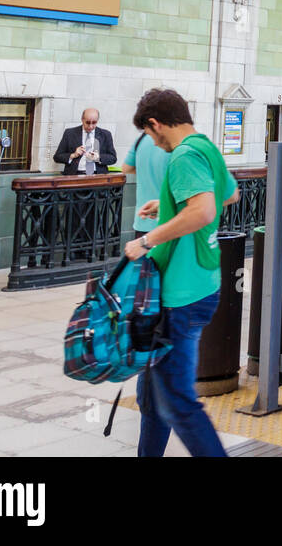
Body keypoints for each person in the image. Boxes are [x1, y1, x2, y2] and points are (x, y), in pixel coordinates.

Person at [124, 88, 239, 457]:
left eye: (150, 134)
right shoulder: (205, 146)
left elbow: (203, 211)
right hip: (203, 284)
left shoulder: (183, 157)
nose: (154, 144)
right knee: (154, 395)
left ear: (156, 124)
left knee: (177, 402)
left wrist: (146, 241)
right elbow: (229, 194)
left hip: (180, 294)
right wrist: (172, 204)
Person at [122, 125, 170, 240]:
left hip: (142, 221)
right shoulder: (175, 143)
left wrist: (146, 171)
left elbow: (126, 168)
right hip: (169, 224)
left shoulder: (142, 139)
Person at [54, 108, 117, 175]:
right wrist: (73, 155)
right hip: (74, 175)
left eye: (94, 122)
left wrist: (98, 157)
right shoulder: (69, 133)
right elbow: (57, 157)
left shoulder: (106, 134)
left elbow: (113, 158)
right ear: (82, 119)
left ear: (97, 120)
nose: (90, 126)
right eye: (87, 122)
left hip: (98, 176)